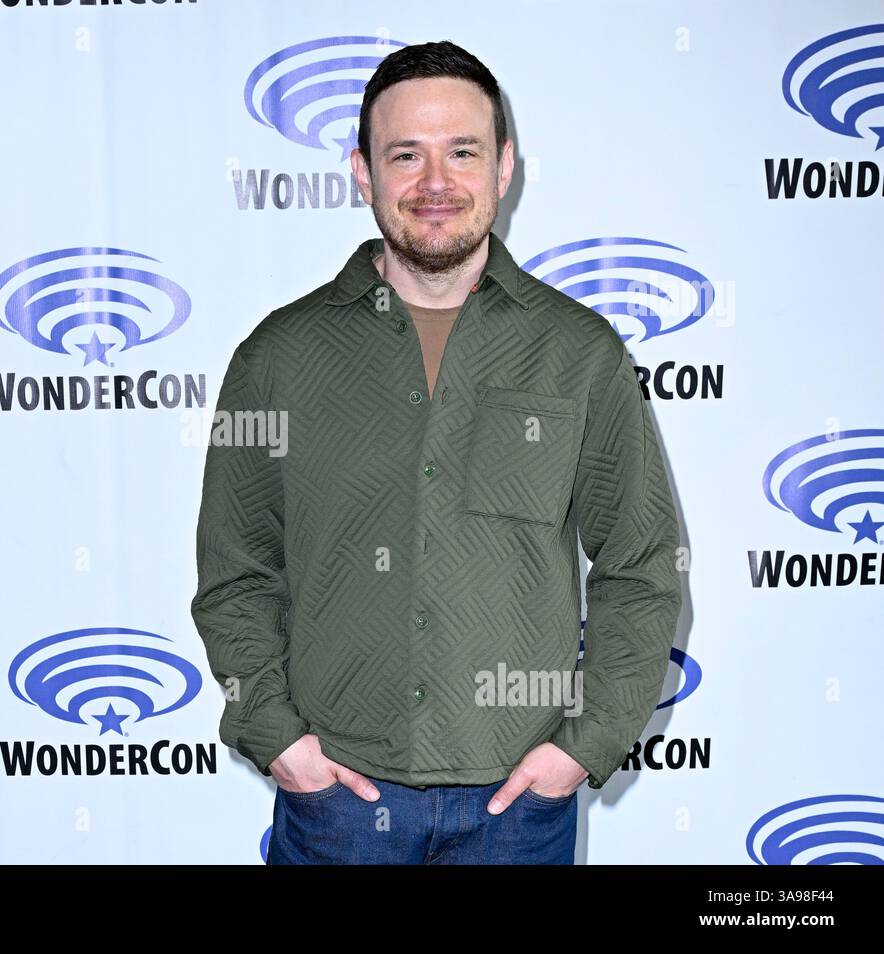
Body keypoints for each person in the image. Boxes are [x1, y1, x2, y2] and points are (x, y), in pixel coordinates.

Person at [190, 40, 682, 864]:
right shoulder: (278, 356)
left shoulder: (579, 354)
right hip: (336, 802)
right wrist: (278, 737)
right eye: (404, 155)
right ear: (362, 172)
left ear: (505, 166)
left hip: (520, 810)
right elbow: (237, 572)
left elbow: (641, 566)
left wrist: (584, 744)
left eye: (462, 151)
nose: (435, 183)